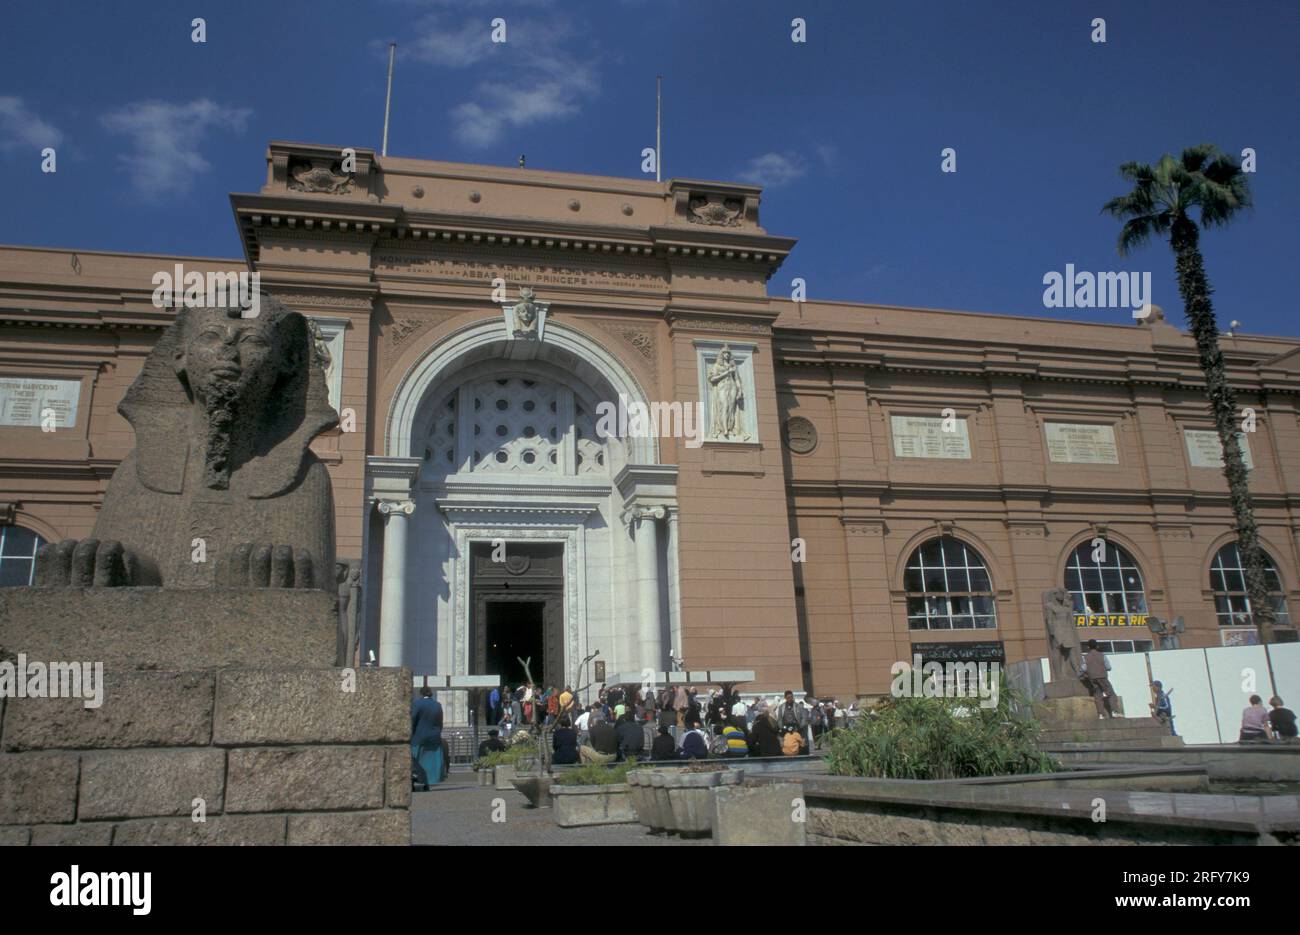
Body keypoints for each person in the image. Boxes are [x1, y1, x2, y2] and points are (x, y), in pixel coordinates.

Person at [410, 687, 445, 790]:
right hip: (434, 737)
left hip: (419, 736)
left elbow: (412, 719)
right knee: (431, 762)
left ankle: (414, 781)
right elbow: (440, 722)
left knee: (417, 761)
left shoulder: (417, 704)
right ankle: (427, 783)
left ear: (421, 694)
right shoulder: (437, 705)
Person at [1082, 640, 1116, 719]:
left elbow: (1083, 668)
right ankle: (1115, 711)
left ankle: (1101, 714)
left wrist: (1080, 675)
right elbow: (1108, 667)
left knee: (1098, 695)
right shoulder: (1102, 655)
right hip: (1102, 677)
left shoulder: (1085, 657)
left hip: (1092, 678)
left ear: (1088, 647)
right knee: (1111, 693)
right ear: (1097, 646)